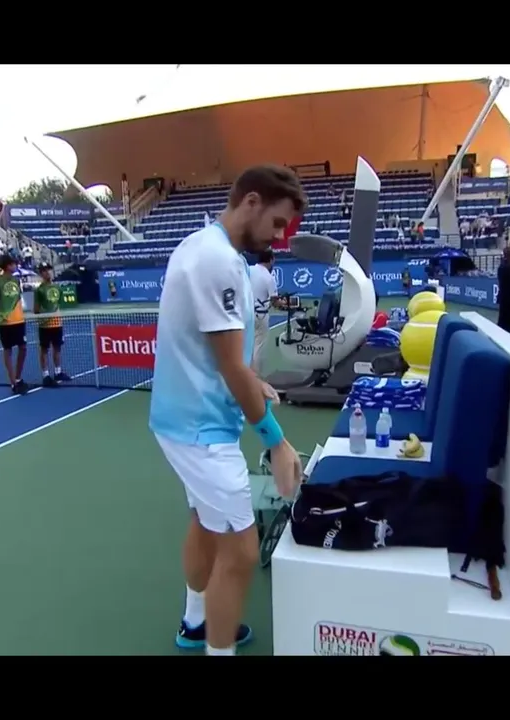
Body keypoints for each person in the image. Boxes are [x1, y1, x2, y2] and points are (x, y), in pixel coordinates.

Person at [150, 165, 307, 656]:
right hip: (202, 431)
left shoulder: (211, 250)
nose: (280, 237)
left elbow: (216, 352)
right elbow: (229, 365)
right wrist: (276, 442)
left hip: (182, 421)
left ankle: (195, 623)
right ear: (251, 202)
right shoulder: (217, 260)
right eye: (278, 223)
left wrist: (251, 379)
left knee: (205, 520)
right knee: (239, 552)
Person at [0, 254, 28, 393]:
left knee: (23, 348)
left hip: (19, 320)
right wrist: (0, 316)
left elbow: (18, 298)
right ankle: (13, 382)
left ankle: (18, 378)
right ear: (7, 265)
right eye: (13, 264)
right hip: (6, 323)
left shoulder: (16, 280)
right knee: (8, 350)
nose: (15, 266)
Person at [33, 262, 70, 387]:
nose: (47, 272)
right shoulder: (39, 290)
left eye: (49, 270)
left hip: (57, 323)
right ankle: (46, 376)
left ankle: (58, 372)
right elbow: (36, 309)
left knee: (57, 348)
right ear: (41, 274)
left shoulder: (57, 288)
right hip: (45, 325)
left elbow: (57, 304)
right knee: (44, 349)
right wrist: (45, 316)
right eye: (44, 270)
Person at [248, 250, 278, 376]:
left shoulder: (248, 270)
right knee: (259, 346)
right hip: (260, 315)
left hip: (246, 314)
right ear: (271, 260)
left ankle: (247, 374)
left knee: (247, 346)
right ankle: (256, 376)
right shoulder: (268, 278)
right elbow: (275, 302)